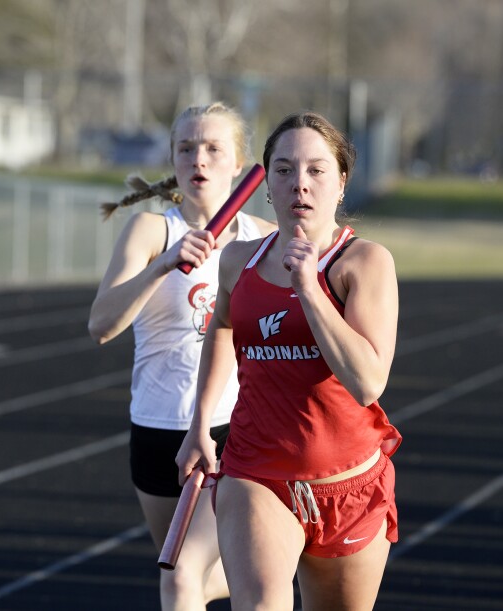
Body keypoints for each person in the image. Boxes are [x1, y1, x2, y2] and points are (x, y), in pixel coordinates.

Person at [176, 110, 402, 611]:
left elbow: (368, 382)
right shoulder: (239, 260)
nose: (300, 183)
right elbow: (222, 330)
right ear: (267, 185)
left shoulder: (364, 263)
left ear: (341, 184)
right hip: (257, 474)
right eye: (284, 170)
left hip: (346, 484)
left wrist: (310, 289)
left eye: (316, 170)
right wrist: (199, 426)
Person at [88, 102, 276, 609]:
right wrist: (162, 267)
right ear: (172, 159)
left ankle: (269, 575)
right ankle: (269, 579)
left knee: (180, 580)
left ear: (238, 162)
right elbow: (101, 325)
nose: (200, 159)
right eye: (187, 148)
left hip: (234, 431)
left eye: (214, 148)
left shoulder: (263, 239)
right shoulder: (152, 231)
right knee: (190, 573)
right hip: (156, 429)